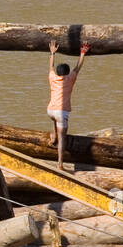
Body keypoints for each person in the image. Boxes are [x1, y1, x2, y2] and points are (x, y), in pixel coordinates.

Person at [48, 41, 89, 171]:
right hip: (61, 112)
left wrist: (52, 53)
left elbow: (51, 67)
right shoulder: (69, 79)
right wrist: (82, 53)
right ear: (67, 73)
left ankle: (53, 136)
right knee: (62, 138)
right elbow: (77, 67)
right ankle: (60, 164)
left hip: (50, 110)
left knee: (55, 120)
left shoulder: (53, 77)